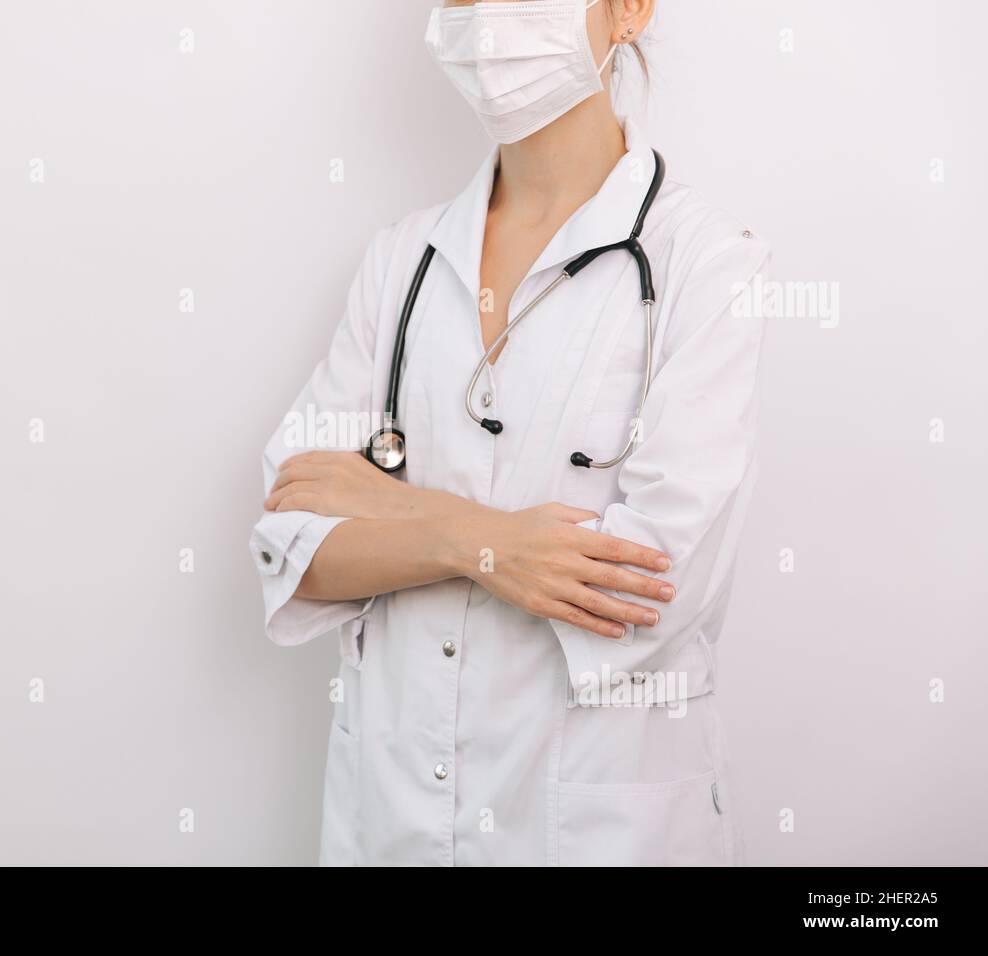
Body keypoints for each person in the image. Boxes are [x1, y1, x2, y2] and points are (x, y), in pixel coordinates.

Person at [249, 0, 769, 866]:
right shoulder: (401, 262)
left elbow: (645, 587)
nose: (489, 20)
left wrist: (393, 512)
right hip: (392, 817)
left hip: (595, 827)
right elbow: (293, 539)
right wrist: (493, 544)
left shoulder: (707, 265)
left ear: (629, 11)